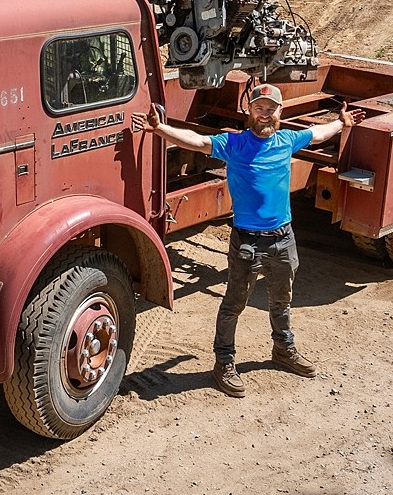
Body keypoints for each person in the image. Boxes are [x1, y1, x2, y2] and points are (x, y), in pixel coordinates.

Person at [131, 81, 364, 397]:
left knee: (281, 300)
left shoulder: (287, 140)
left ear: (279, 113)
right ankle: (224, 363)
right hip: (247, 242)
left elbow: (318, 134)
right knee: (234, 304)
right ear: (249, 111)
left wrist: (342, 122)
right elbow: (198, 142)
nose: (264, 114)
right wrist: (160, 130)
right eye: (259, 108)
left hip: (283, 238)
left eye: (271, 109)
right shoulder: (234, 143)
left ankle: (283, 350)